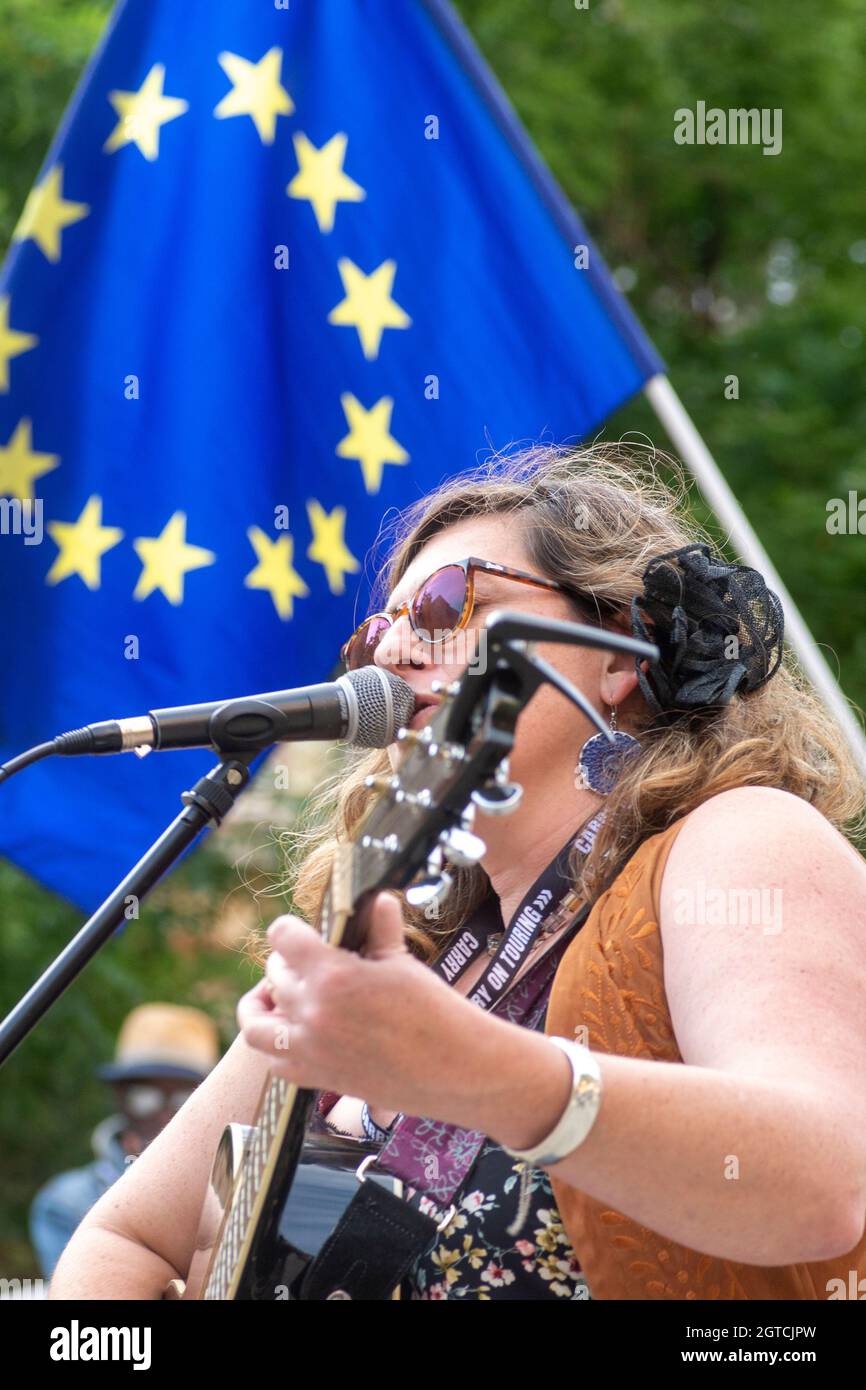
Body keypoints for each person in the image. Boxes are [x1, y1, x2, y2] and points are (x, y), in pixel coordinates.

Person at [48, 443, 866, 1300]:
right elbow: (124, 1237)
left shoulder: (737, 841)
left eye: (447, 603)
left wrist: (474, 1069)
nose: (394, 654)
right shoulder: (393, 952)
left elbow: (828, 1182)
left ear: (618, 650)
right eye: (379, 631)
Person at [31, 1003, 219, 1278]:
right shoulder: (67, 1200)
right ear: (120, 1097)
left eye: (185, 1100)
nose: (166, 1114)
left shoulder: (234, 1197)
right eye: (145, 1097)